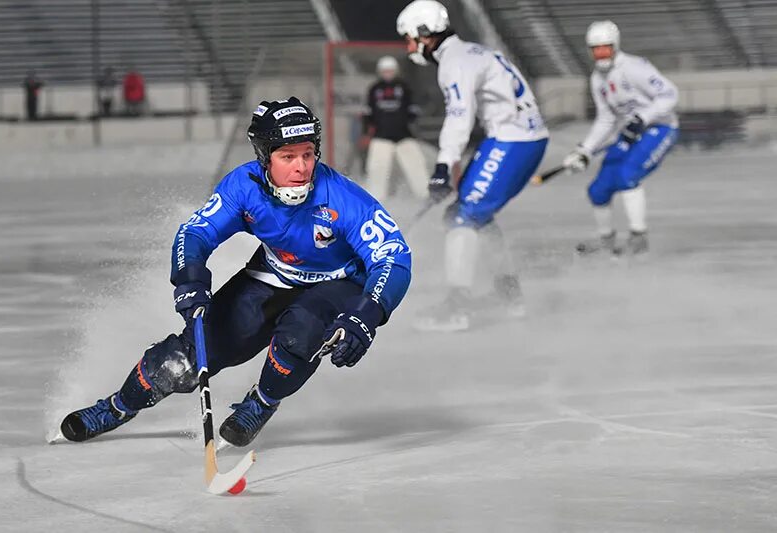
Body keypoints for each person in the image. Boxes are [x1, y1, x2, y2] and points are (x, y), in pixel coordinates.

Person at [60, 97, 412, 447]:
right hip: (271, 276)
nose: (301, 167)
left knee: (299, 335)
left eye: (307, 153)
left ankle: (261, 402)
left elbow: (394, 259)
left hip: (338, 284)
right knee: (184, 359)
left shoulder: (345, 199)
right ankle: (118, 406)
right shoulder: (243, 186)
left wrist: (366, 314)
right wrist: (190, 278)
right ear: (264, 157)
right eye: (287, 156)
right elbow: (196, 233)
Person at [396, 0, 548, 331]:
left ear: (425, 34)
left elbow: (459, 117)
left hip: (513, 140)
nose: (408, 46)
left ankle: (457, 307)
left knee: (462, 216)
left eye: (409, 38)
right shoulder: (474, 52)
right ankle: (509, 295)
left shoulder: (455, 62)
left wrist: (442, 166)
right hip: (516, 137)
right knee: (475, 216)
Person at [563, 20, 678, 256]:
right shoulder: (597, 79)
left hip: (660, 128)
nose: (601, 54)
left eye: (605, 48)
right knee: (598, 189)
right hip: (629, 133)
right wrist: (585, 149)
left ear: (615, 46)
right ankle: (606, 240)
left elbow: (669, 95)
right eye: (596, 50)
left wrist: (644, 118)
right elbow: (606, 119)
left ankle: (639, 237)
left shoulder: (634, 67)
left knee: (627, 176)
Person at [361, 55, 429, 200]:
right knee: (377, 169)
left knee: (416, 166)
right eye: (385, 71)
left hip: (404, 136)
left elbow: (412, 112)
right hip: (381, 136)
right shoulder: (374, 89)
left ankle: (426, 196)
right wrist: (366, 133)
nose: (388, 74)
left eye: (390, 71)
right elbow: (368, 114)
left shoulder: (404, 87)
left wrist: (407, 124)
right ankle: (375, 199)